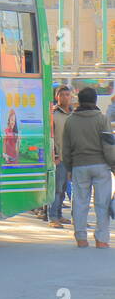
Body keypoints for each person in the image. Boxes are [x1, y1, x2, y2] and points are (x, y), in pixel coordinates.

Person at [61, 86, 111, 248]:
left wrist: (69, 167)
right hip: (101, 165)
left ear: (79, 101)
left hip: (79, 166)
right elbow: (109, 146)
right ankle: (101, 239)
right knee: (102, 203)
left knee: (80, 202)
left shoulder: (71, 120)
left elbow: (66, 148)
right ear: (95, 100)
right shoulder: (102, 119)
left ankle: (81, 238)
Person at [48, 85, 74, 227]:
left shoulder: (73, 114)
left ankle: (59, 215)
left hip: (71, 158)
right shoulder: (53, 114)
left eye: (67, 94)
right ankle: (53, 217)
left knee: (64, 188)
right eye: (62, 94)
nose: (65, 97)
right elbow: (50, 137)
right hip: (59, 158)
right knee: (57, 189)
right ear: (56, 97)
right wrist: (55, 155)